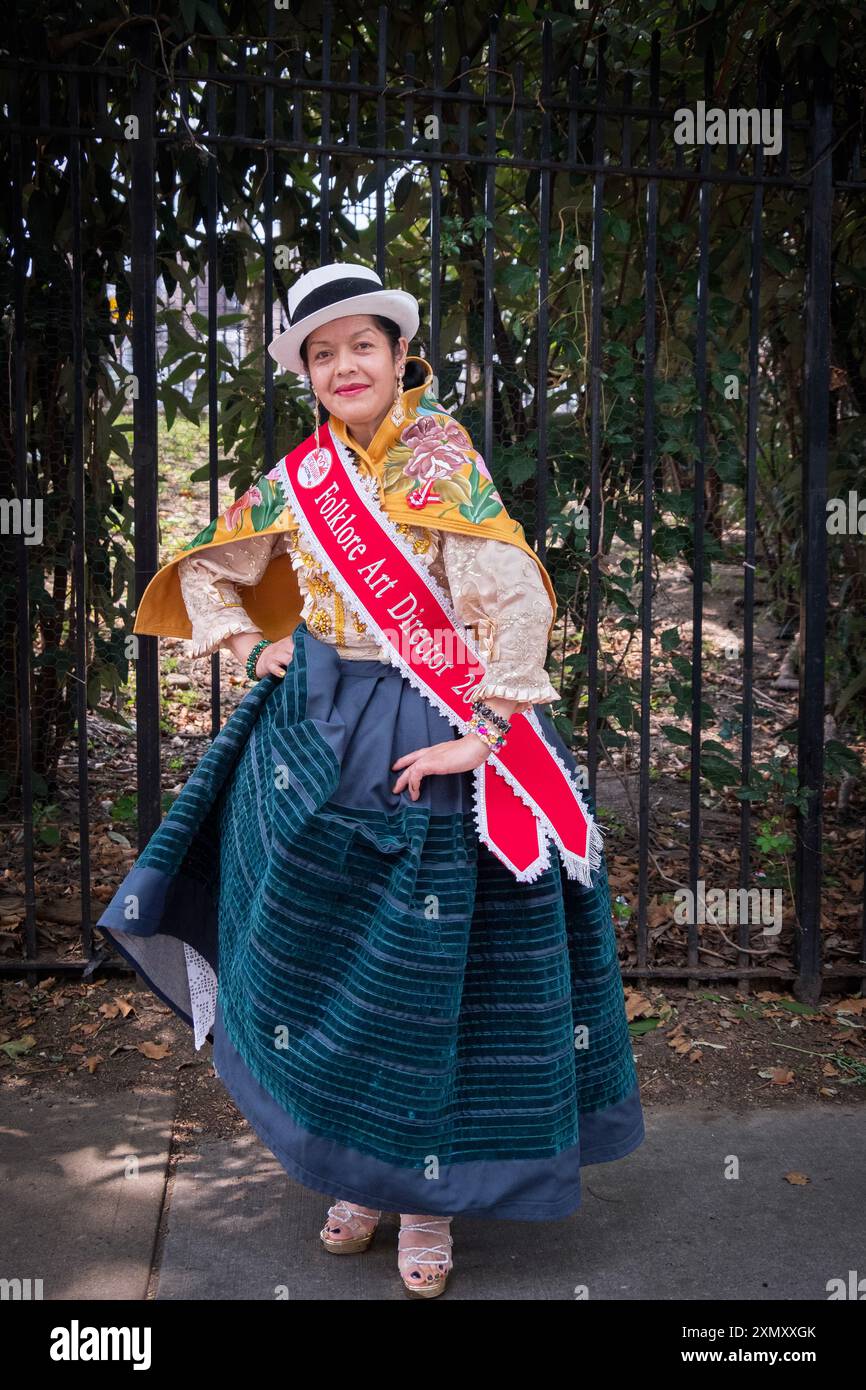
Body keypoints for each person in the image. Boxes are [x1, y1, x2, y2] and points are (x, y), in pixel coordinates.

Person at [96, 261, 644, 1299]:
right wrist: (252, 637)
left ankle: (424, 1198)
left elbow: (516, 595)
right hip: (317, 731)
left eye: (362, 344)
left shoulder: (442, 462)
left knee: (424, 978)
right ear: (307, 372)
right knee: (323, 963)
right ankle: (356, 1171)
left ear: (400, 358)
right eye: (322, 351)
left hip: (429, 736)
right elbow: (212, 561)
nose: (344, 363)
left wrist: (481, 734)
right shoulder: (306, 472)